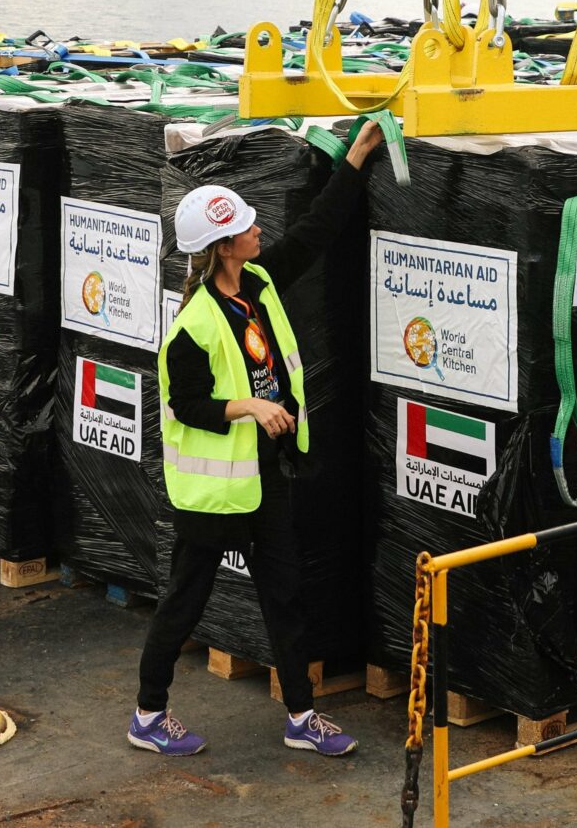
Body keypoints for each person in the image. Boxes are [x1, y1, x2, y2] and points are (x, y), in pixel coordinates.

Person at [128, 119, 386, 758]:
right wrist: (249, 406)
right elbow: (185, 406)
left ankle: (301, 716)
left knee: (285, 594)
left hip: (264, 475)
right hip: (213, 496)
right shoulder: (193, 325)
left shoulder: (261, 283)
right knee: (184, 604)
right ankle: (148, 715)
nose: (260, 227)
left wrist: (352, 160)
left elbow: (315, 232)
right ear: (222, 246)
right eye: (247, 225)